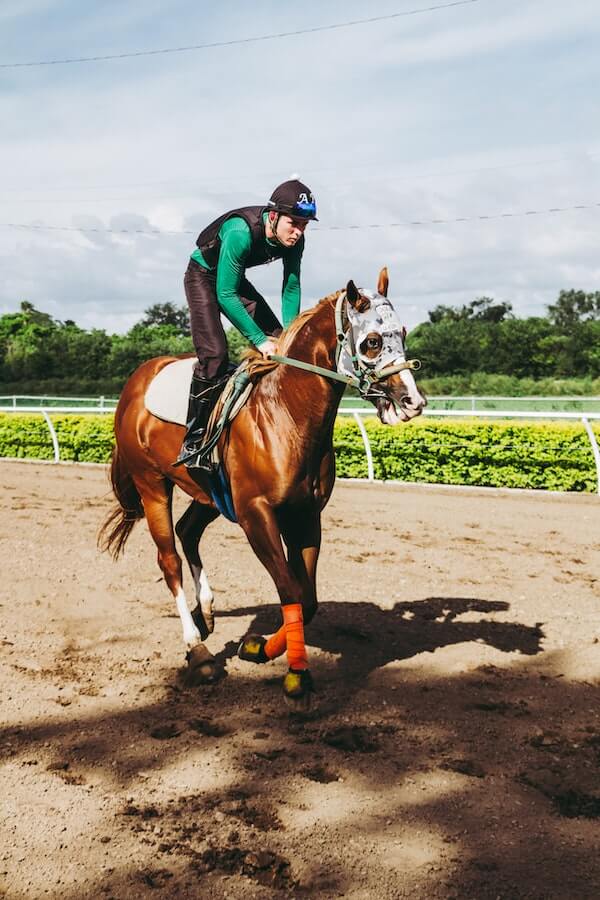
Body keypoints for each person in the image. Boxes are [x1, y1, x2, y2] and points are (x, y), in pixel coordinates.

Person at [176, 179, 317, 468]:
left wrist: (288, 337)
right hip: (203, 276)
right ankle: (194, 440)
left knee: (281, 342)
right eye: (294, 223)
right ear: (274, 216)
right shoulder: (241, 232)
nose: (299, 231)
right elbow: (225, 295)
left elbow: (291, 288)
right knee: (215, 355)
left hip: (233, 281)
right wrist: (259, 341)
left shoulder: (295, 240)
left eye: (305, 224)